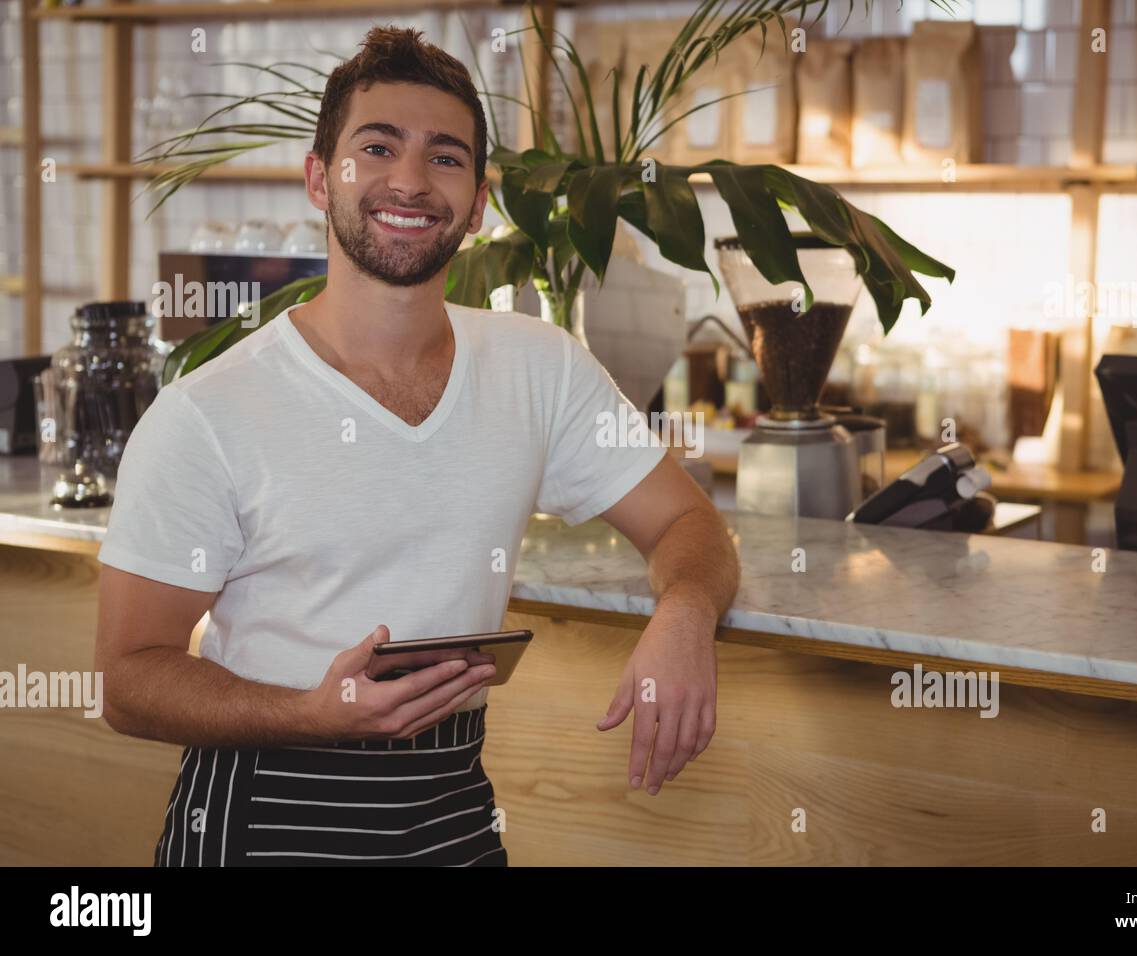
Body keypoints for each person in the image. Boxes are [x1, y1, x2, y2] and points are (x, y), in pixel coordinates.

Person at [94, 25, 739, 867]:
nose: (410, 179)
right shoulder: (207, 413)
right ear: (321, 180)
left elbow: (687, 523)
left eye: (445, 157)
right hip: (265, 811)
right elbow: (126, 679)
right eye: (377, 147)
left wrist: (684, 617)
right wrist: (309, 714)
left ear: (476, 203)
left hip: (452, 814)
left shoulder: (537, 367)